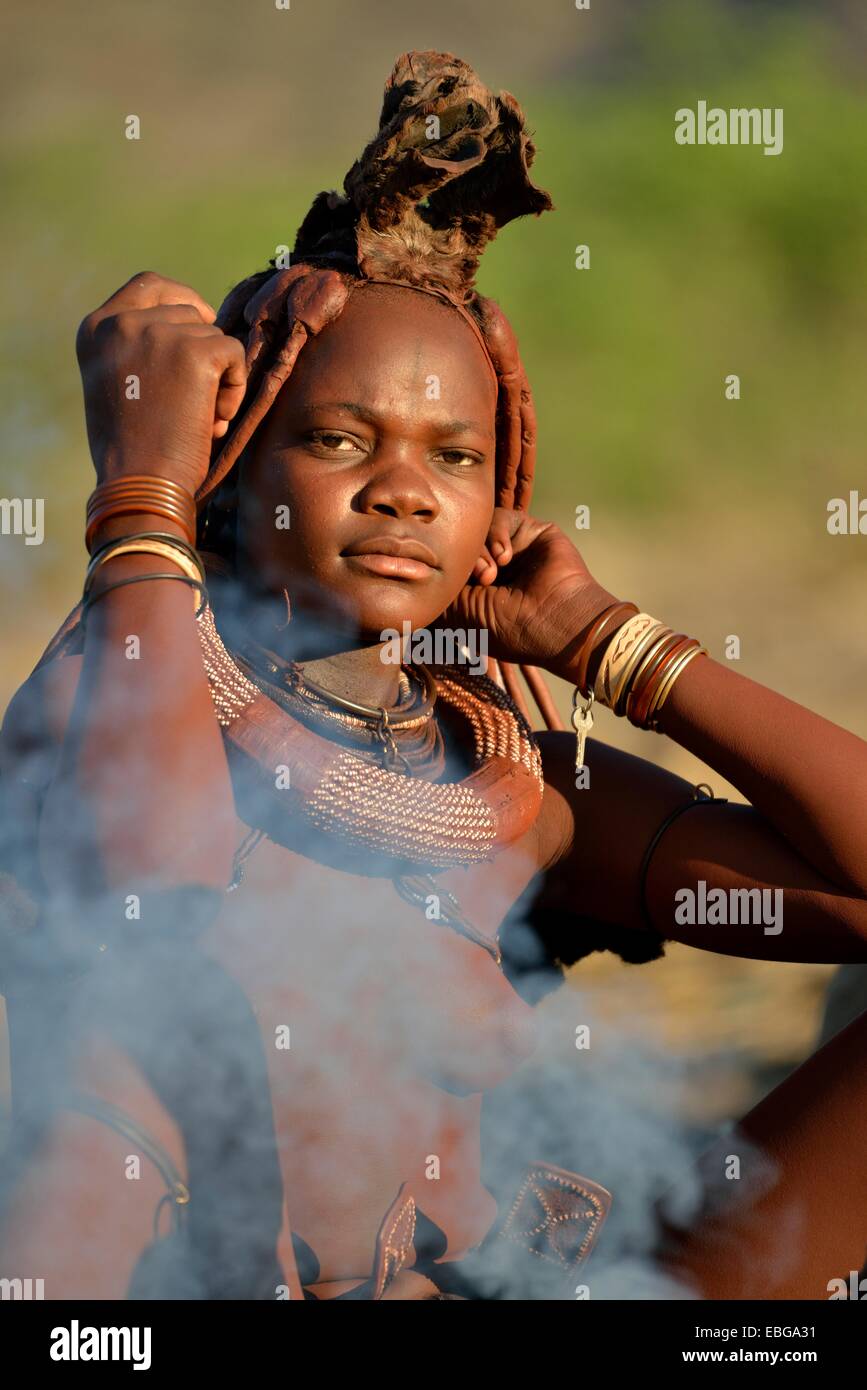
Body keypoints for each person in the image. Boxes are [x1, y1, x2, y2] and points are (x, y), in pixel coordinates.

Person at [1, 49, 866, 1302]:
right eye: (339, 439)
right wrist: (144, 494)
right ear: (235, 464)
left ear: (496, 501)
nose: (403, 487)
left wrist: (606, 644)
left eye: (454, 455)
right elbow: (156, 870)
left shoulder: (508, 779)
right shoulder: (116, 699)